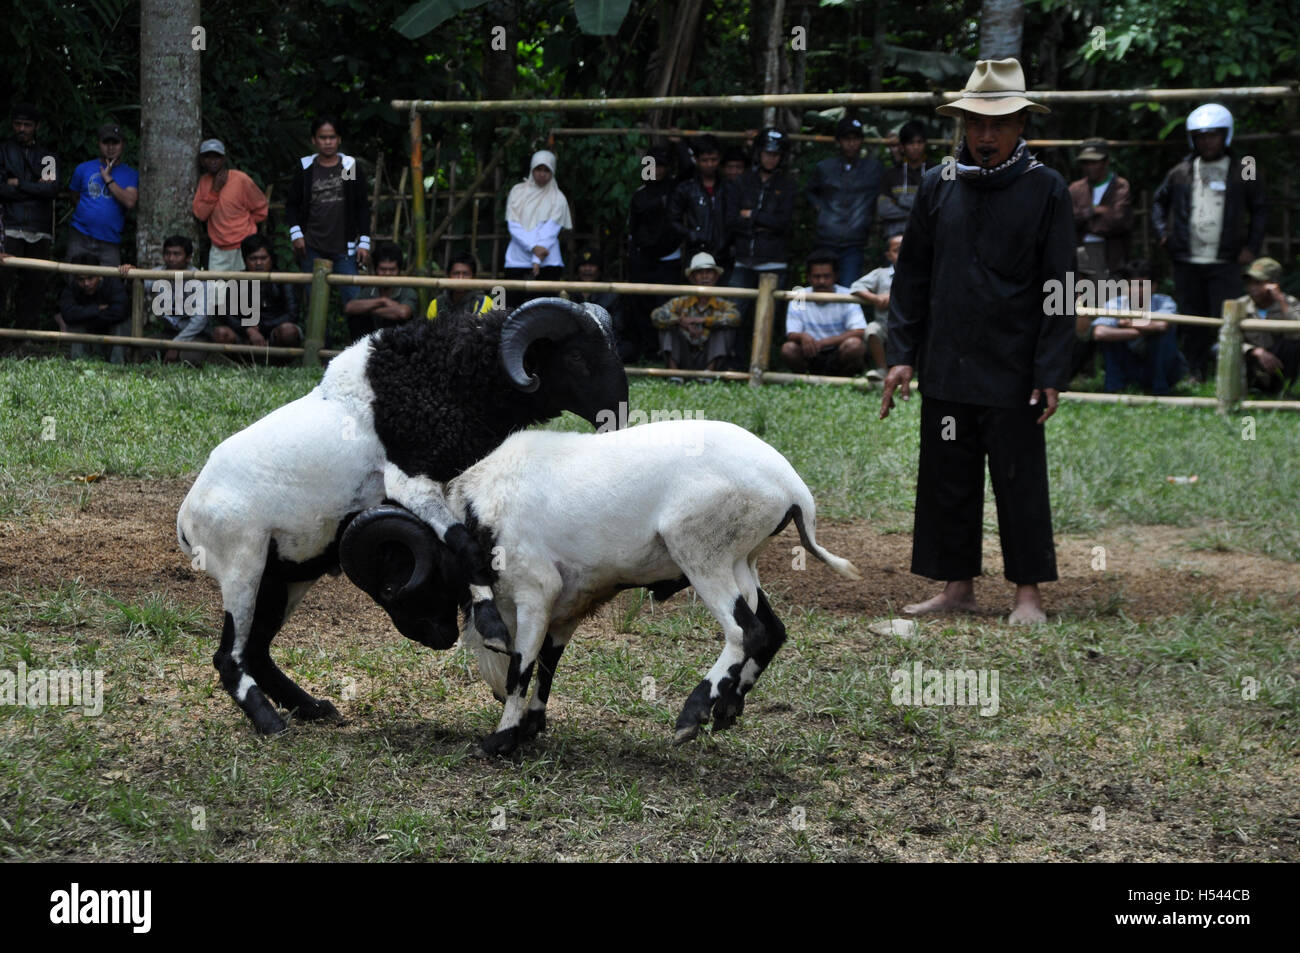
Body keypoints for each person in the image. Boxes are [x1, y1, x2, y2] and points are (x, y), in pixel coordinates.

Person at [880, 57, 1075, 625]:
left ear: (1021, 126)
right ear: (963, 125)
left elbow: (1060, 286)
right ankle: (956, 586)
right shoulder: (939, 185)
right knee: (947, 478)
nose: (986, 135)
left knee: (1019, 479)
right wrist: (900, 355)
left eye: (999, 123)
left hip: (1015, 368)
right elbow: (911, 276)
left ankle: (1028, 595)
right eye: (976, 123)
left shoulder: (1047, 189)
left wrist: (1051, 370)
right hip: (946, 362)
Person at [1153, 103, 1267, 382]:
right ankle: (1195, 372)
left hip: (1225, 261)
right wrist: (1162, 233)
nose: (1207, 141)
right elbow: (1159, 201)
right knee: (1192, 319)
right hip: (1187, 260)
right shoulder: (1181, 170)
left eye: (1213, 135)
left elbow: (1261, 207)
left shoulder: (1244, 168)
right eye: (1201, 136)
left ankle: (1228, 373)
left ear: (1226, 135)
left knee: (1226, 319)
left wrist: (1251, 246)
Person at [286, 117, 370, 326]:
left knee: (354, 301)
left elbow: (360, 205)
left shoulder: (348, 165)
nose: (328, 142)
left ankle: (360, 351)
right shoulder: (306, 167)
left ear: (339, 139)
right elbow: (292, 204)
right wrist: (296, 234)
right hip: (311, 245)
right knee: (315, 302)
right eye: (323, 137)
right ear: (314, 140)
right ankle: (318, 353)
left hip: (344, 247)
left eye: (332, 137)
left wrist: (365, 241)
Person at [727, 128, 796, 334]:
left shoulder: (788, 185)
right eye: (767, 153)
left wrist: (752, 215)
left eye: (775, 154)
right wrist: (764, 220)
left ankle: (762, 363)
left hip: (773, 260)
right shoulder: (742, 182)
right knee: (732, 313)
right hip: (743, 259)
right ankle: (729, 359)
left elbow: (783, 223)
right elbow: (731, 220)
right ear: (758, 153)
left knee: (767, 317)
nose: (770, 159)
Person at [0, 103, 59, 330]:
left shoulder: (47, 155)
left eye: (27, 124)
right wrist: (34, 187)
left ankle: (25, 337)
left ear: (36, 127)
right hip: (10, 226)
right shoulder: (3, 151)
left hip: (39, 228)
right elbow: (1, 188)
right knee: (2, 282)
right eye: (18, 124)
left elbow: (51, 189)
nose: (22, 129)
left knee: (34, 285)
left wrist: (18, 184)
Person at [804, 117, 883, 287]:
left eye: (855, 139)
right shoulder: (825, 167)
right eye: (847, 139)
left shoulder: (873, 169)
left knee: (849, 290)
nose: (851, 143)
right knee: (821, 287)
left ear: (861, 141)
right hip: (826, 239)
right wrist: (820, 209)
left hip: (855, 241)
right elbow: (809, 190)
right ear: (839, 141)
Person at [1089, 260, 1185, 395]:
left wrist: (1128, 323)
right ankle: (1115, 388)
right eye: (1130, 285)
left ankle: (1160, 389)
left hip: (1160, 365)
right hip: (1129, 365)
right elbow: (1099, 333)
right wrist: (1144, 330)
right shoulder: (1115, 303)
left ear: (1154, 286)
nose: (1136, 290)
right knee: (1109, 337)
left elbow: (1162, 326)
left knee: (1164, 335)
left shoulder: (1164, 302)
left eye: (1141, 285)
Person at [626, 143, 684, 360]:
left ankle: (666, 351)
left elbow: (688, 167)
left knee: (666, 306)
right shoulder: (639, 195)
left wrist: (676, 140)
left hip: (668, 258)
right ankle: (648, 350)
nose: (657, 170)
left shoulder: (677, 190)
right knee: (641, 305)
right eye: (652, 165)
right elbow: (632, 230)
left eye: (661, 165)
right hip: (642, 259)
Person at [120, 234, 210, 363]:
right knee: (134, 354)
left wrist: (176, 344)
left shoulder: (199, 279)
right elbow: (140, 285)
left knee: (189, 359)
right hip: (169, 333)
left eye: (176, 254)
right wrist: (131, 274)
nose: (171, 258)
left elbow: (200, 320)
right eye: (167, 254)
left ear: (188, 258)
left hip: (195, 334)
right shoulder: (158, 272)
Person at [650, 252, 741, 371]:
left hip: (708, 357)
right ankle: (674, 373)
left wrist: (703, 321)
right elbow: (656, 315)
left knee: (725, 328)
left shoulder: (723, 304)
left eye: (709, 272)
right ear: (692, 278)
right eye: (699, 273)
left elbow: (735, 317)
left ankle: (709, 373)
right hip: (684, 356)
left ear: (716, 276)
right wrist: (680, 321)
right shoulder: (680, 302)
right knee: (667, 326)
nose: (705, 277)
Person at [781, 250, 866, 376]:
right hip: (809, 351)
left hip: (838, 350)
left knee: (855, 345)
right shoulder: (799, 295)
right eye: (817, 276)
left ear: (835, 276)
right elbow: (792, 333)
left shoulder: (847, 295)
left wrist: (824, 342)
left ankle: (842, 378)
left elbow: (859, 331)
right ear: (809, 277)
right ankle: (804, 377)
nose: (821, 281)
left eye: (827, 276)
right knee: (788, 349)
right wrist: (802, 336)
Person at [504, 150, 571, 306]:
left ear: (553, 171)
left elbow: (551, 231)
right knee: (512, 307)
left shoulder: (558, 197)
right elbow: (513, 225)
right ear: (532, 169)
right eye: (538, 169)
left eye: (547, 170)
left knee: (546, 308)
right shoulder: (517, 192)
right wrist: (534, 248)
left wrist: (537, 257)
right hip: (517, 260)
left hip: (548, 260)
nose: (542, 174)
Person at [210, 234, 301, 349]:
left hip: (275, 331)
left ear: (271, 258)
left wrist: (262, 327)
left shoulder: (283, 279)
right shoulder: (236, 280)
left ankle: (277, 361)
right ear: (245, 260)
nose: (258, 263)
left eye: (263, 258)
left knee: (288, 331)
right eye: (253, 258)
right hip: (244, 333)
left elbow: (292, 314)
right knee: (221, 333)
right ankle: (241, 362)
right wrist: (248, 329)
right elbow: (227, 314)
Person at [192, 138, 268, 273]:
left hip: (244, 245)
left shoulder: (241, 179)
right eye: (208, 157)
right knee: (217, 291)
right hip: (218, 248)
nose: (213, 160)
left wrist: (246, 224)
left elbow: (261, 209)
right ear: (202, 160)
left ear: (224, 159)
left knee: (244, 291)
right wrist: (214, 191)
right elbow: (201, 215)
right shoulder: (204, 181)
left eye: (217, 156)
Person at [67, 123, 138, 266]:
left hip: (110, 240)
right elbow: (74, 196)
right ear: (98, 144)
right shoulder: (83, 168)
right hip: (80, 235)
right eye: (106, 142)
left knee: (110, 283)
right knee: (73, 279)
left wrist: (108, 179)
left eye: (115, 143)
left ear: (123, 144)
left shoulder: (130, 174)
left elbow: (130, 202)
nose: (110, 147)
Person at [1068, 138, 1132, 280]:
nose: (1089, 167)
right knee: (1086, 297)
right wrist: (1093, 211)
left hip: (1113, 254)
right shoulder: (1075, 188)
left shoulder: (1120, 186)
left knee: (1112, 297)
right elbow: (1068, 219)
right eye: (1085, 163)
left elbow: (1118, 219)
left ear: (1106, 162)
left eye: (1094, 162)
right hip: (1083, 253)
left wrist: (1085, 221)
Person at [669, 135, 733, 275]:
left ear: (719, 159)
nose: (709, 164)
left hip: (725, 254)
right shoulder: (686, 188)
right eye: (705, 160)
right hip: (696, 252)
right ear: (697, 160)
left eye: (713, 160)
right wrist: (692, 235)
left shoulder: (729, 187)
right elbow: (672, 219)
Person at [1237, 257, 1300, 394]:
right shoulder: (1240, 305)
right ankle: (1240, 390)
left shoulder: (1290, 303)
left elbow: (1297, 333)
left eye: (1258, 282)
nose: (1252, 288)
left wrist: (1282, 302)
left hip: (1278, 363)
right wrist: (1255, 351)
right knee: (1219, 349)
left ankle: (1283, 390)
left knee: (1293, 345)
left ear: (1273, 283)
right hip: (1251, 363)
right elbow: (1226, 338)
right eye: (1250, 282)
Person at [56, 254, 128, 361]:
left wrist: (85, 314)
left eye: (90, 278)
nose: (86, 283)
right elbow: (68, 315)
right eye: (81, 279)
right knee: (76, 325)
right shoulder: (72, 288)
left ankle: (118, 363)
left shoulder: (112, 283)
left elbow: (120, 311)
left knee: (121, 324)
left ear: (99, 274)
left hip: (110, 337)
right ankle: (78, 363)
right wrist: (97, 309)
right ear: (75, 278)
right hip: (88, 339)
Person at [850, 233, 902, 375]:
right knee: (872, 329)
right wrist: (875, 298)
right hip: (886, 324)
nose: (902, 253)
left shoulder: (920, 273)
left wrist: (893, 298)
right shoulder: (881, 274)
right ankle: (883, 369)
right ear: (888, 255)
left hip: (912, 324)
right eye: (897, 250)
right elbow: (855, 287)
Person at [566, 249, 631, 361]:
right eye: (583, 265)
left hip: (603, 341)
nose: (587, 269)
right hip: (575, 342)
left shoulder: (612, 294)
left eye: (591, 265)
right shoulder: (568, 292)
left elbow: (618, 325)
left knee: (627, 348)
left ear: (600, 269)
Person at [343, 241, 417, 340]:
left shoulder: (407, 291)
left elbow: (403, 312)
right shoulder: (369, 290)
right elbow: (350, 307)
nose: (387, 273)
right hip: (370, 341)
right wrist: (383, 301)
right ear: (376, 270)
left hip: (397, 343)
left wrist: (370, 310)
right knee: (356, 318)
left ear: (399, 270)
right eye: (383, 269)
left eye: (392, 270)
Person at [876, 121, 932, 240]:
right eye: (911, 143)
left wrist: (900, 203)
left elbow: (936, 208)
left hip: (926, 239)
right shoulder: (891, 174)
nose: (916, 147)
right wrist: (919, 212)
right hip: (895, 239)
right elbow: (883, 209)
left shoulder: (935, 173)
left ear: (925, 144)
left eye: (919, 142)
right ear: (902, 146)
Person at [427, 251, 494, 320]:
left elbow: (477, 329)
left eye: (465, 274)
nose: (460, 278)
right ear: (448, 276)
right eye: (456, 273)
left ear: (473, 277)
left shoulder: (483, 302)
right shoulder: (436, 304)